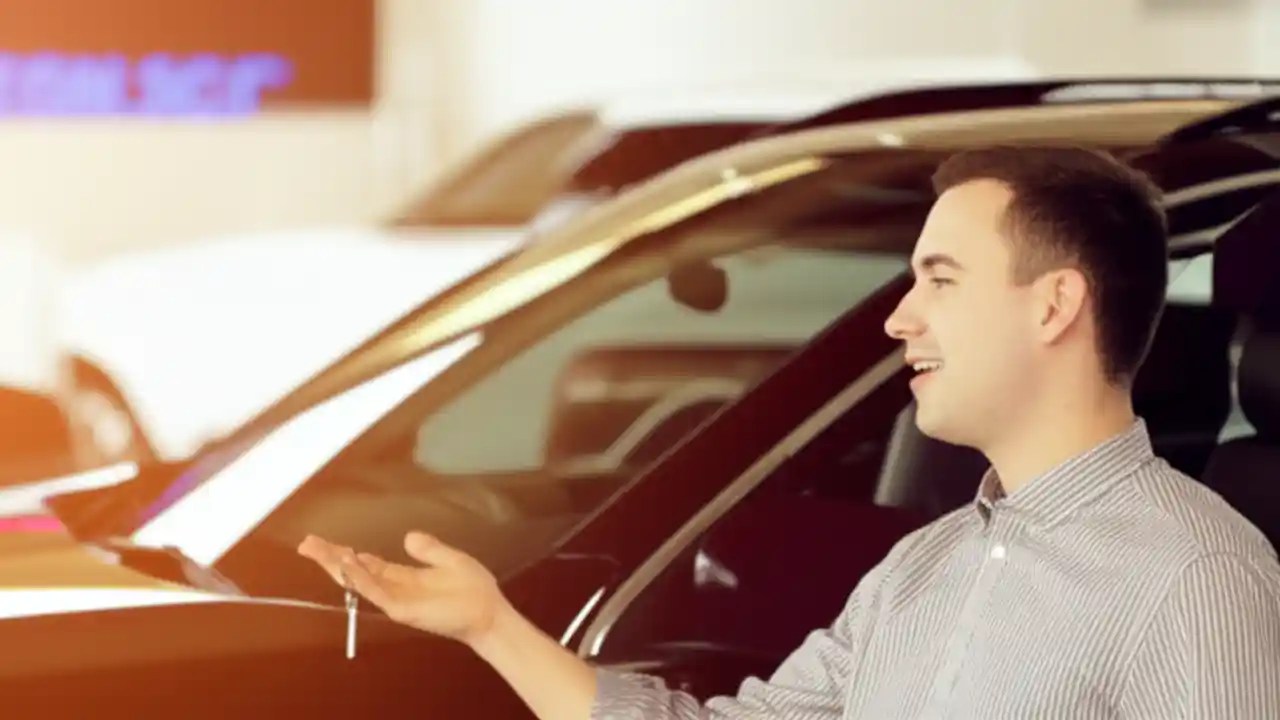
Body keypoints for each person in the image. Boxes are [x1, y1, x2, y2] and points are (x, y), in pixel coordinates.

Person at [298, 145, 1280, 719]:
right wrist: (489, 625)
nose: (899, 318)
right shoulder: (921, 569)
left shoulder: (1193, 575)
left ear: (1053, 305)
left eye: (939, 279)